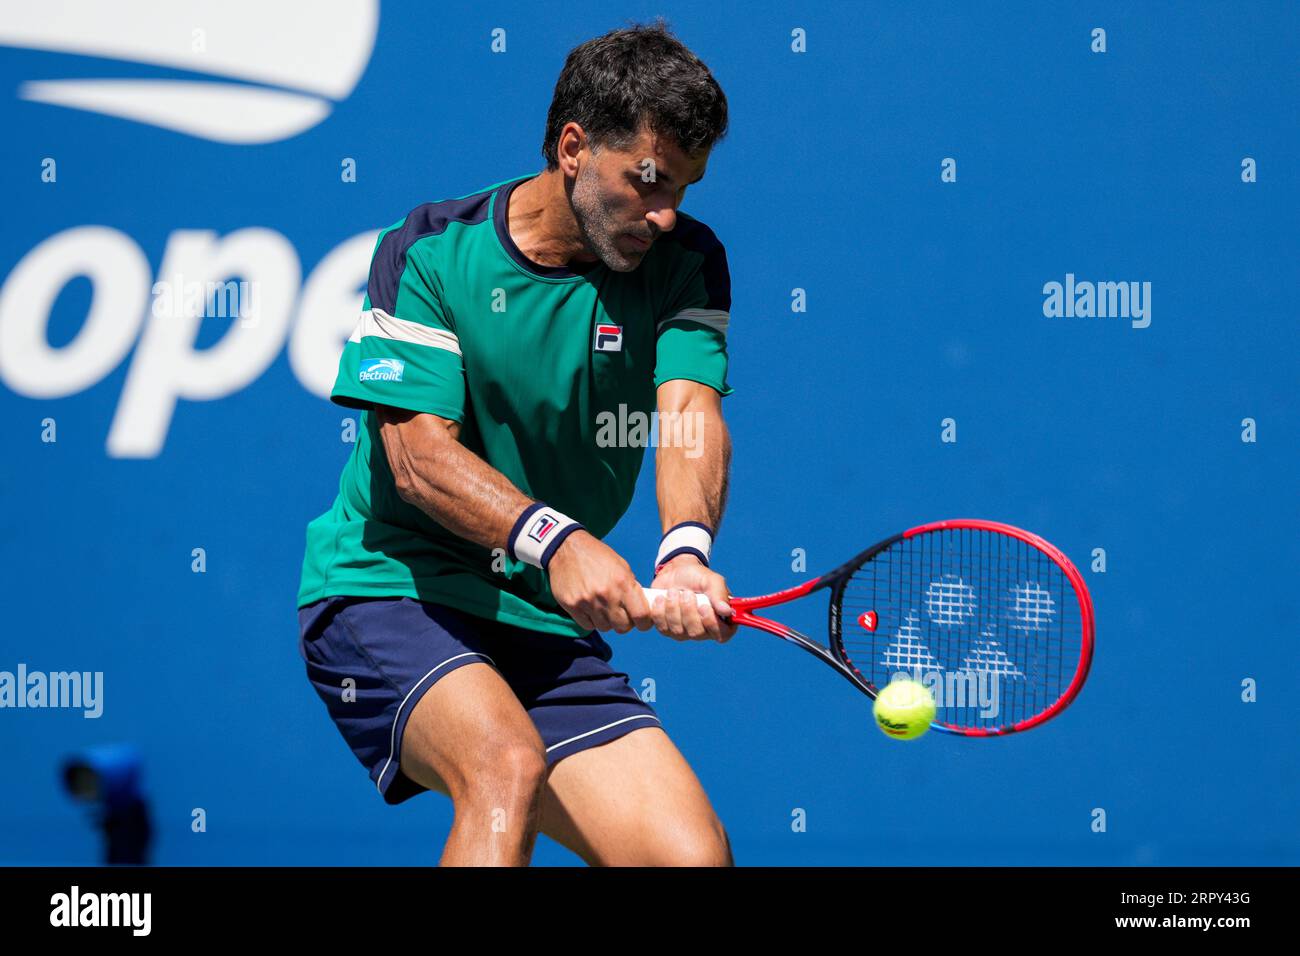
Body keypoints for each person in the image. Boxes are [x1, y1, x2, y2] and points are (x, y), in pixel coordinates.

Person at [296, 21, 736, 866]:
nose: (666, 210)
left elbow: (686, 409)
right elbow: (417, 459)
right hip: (393, 585)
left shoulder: (687, 261)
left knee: (690, 856)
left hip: (535, 618)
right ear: (573, 147)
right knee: (504, 767)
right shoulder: (430, 251)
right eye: (647, 180)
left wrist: (684, 552)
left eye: (684, 185)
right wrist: (555, 539)